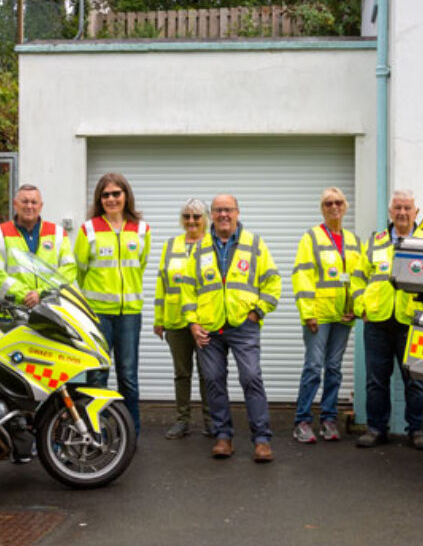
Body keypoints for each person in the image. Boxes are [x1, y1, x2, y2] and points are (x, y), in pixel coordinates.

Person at [181, 194, 281, 463]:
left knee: (251, 378)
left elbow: (273, 282)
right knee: (213, 381)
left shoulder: (254, 244)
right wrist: (192, 322)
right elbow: (188, 289)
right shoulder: (199, 247)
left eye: (228, 210)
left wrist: (257, 312)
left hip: (243, 325)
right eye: (218, 210)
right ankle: (223, 437)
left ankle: (262, 440)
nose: (223, 215)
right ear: (211, 215)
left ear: (237, 212)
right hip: (210, 328)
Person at [352, 189, 423, 450]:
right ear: (390, 211)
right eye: (397, 207)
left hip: (412, 321)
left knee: (416, 379)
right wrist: (360, 306)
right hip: (377, 320)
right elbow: (358, 278)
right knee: (376, 380)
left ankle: (419, 430)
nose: (402, 212)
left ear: (416, 212)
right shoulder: (377, 240)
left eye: (407, 208)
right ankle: (377, 429)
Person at [74, 173, 151, 436]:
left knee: (128, 376)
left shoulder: (142, 229)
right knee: (97, 376)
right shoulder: (89, 229)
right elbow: (80, 272)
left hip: (129, 315)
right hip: (98, 315)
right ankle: (99, 432)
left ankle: (131, 434)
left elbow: (139, 266)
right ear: (99, 199)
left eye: (116, 193)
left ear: (126, 195)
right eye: (105, 195)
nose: (111, 199)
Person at [291, 187, 361, 443]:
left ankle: (329, 419)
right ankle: (302, 421)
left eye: (338, 202)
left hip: (343, 318)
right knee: (313, 367)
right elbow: (302, 276)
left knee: (334, 368)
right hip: (318, 316)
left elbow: (358, 279)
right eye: (328, 203)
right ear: (322, 208)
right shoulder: (311, 238)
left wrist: (356, 307)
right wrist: (308, 313)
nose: (334, 207)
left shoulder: (353, 241)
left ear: (345, 207)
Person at [153, 198, 210, 439]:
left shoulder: (212, 244)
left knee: (209, 374)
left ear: (205, 219)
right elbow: (161, 285)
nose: (191, 221)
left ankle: (211, 421)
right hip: (176, 321)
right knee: (182, 373)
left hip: (205, 320)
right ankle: (182, 420)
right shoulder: (171, 245)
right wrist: (159, 319)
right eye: (187, 216)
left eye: (196, 217)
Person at [0, 183, 76, 306]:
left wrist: (42, 293)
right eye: (24, 202)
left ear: (41, 206)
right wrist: (24, 295)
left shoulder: (58, 233)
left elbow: (69, 270)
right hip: (11, 312)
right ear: (15, 204)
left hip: (49, 311)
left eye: (34, 202)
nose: (29, 206)